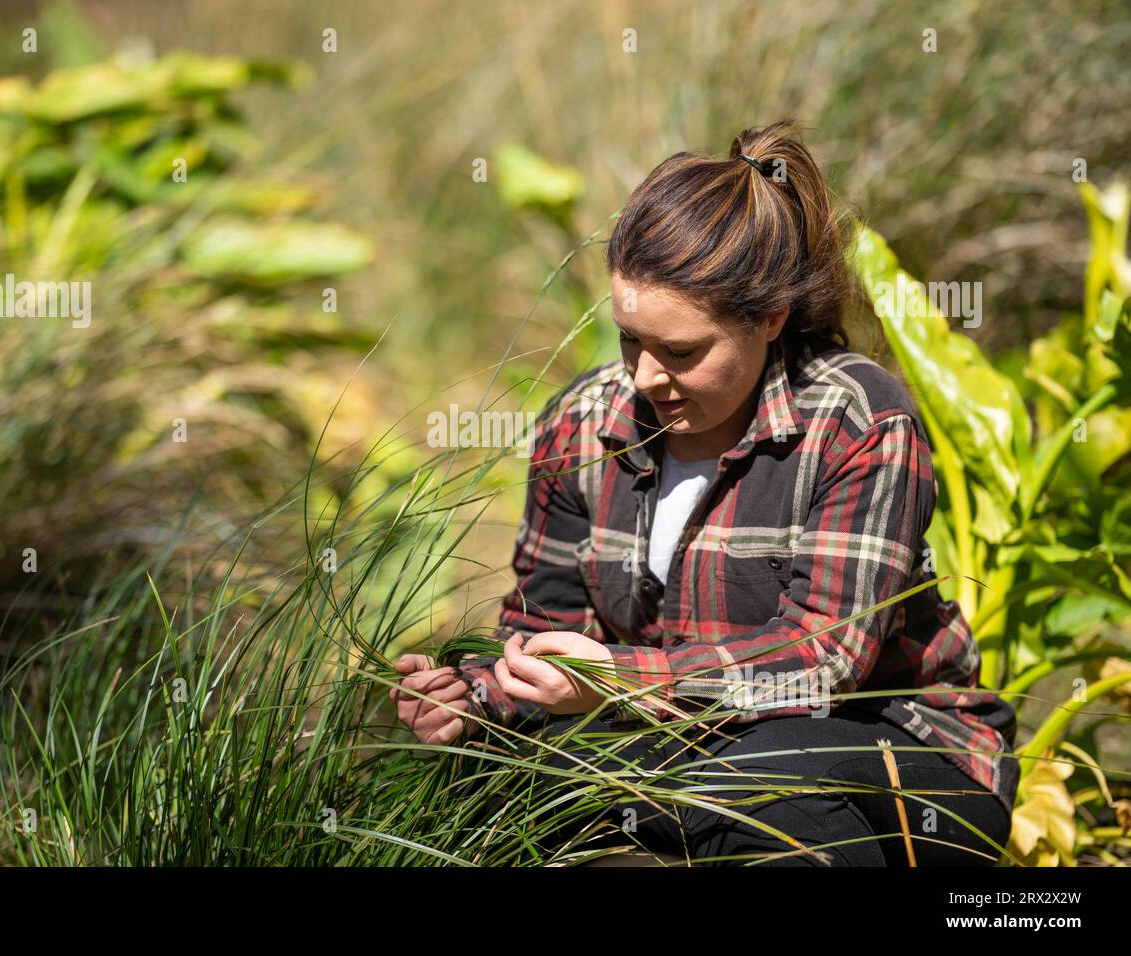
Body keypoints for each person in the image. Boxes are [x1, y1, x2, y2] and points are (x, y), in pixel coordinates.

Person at [391, 119, 1018, 866]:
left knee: (753, 781)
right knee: (504, 782)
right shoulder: (582, 423)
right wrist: (475, 696)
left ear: (771, 317)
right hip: (681, 753)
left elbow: (821, 662)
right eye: (630, 340)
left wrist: (620, 683)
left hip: (897, 758)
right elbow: (538, 625)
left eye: (682, 351)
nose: (646, 376)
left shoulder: (858, 419)